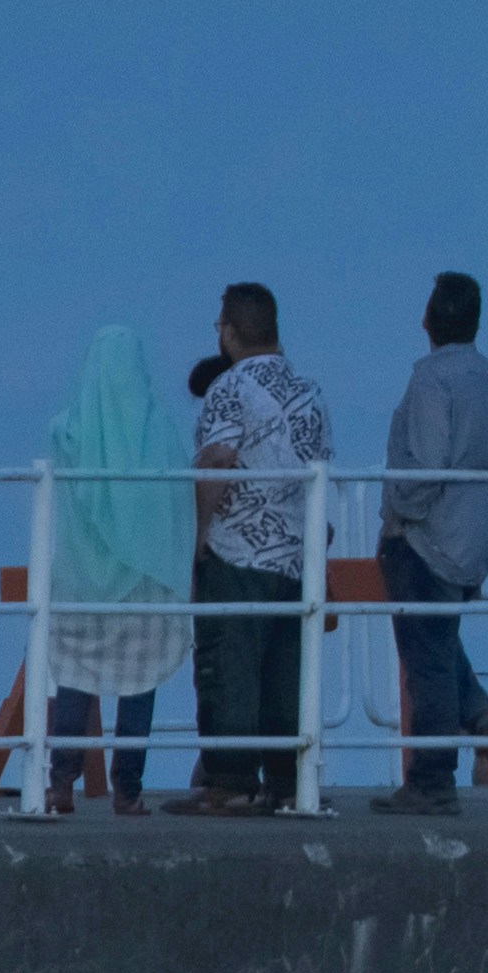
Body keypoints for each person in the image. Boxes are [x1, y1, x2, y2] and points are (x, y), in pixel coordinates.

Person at [372, 270, 488, 812]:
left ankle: (433, 781)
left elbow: (427, 467)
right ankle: (477, 705)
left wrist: (400, 516)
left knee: (427, 659)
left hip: (431, 535)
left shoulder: (432, 381)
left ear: (428, 321)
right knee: (437, 636)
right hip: (480, 537)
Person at [184, 282, 330, 812]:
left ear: (227, 332)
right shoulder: (310, 391)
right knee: (283, 669)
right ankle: (287, 782)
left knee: (229, 663)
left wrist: (200, 537)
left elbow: (219, 460)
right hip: (296, 554)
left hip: (239, 550)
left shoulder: (229, 387)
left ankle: (230, 779)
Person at [36, 324, 194, 813]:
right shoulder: (162, 430)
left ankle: (61, 783)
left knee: (74, 675)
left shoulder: (67, 428)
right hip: (144, 579)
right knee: (138, 679)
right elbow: (176, 501)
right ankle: (128, 789)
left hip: (81, 578)